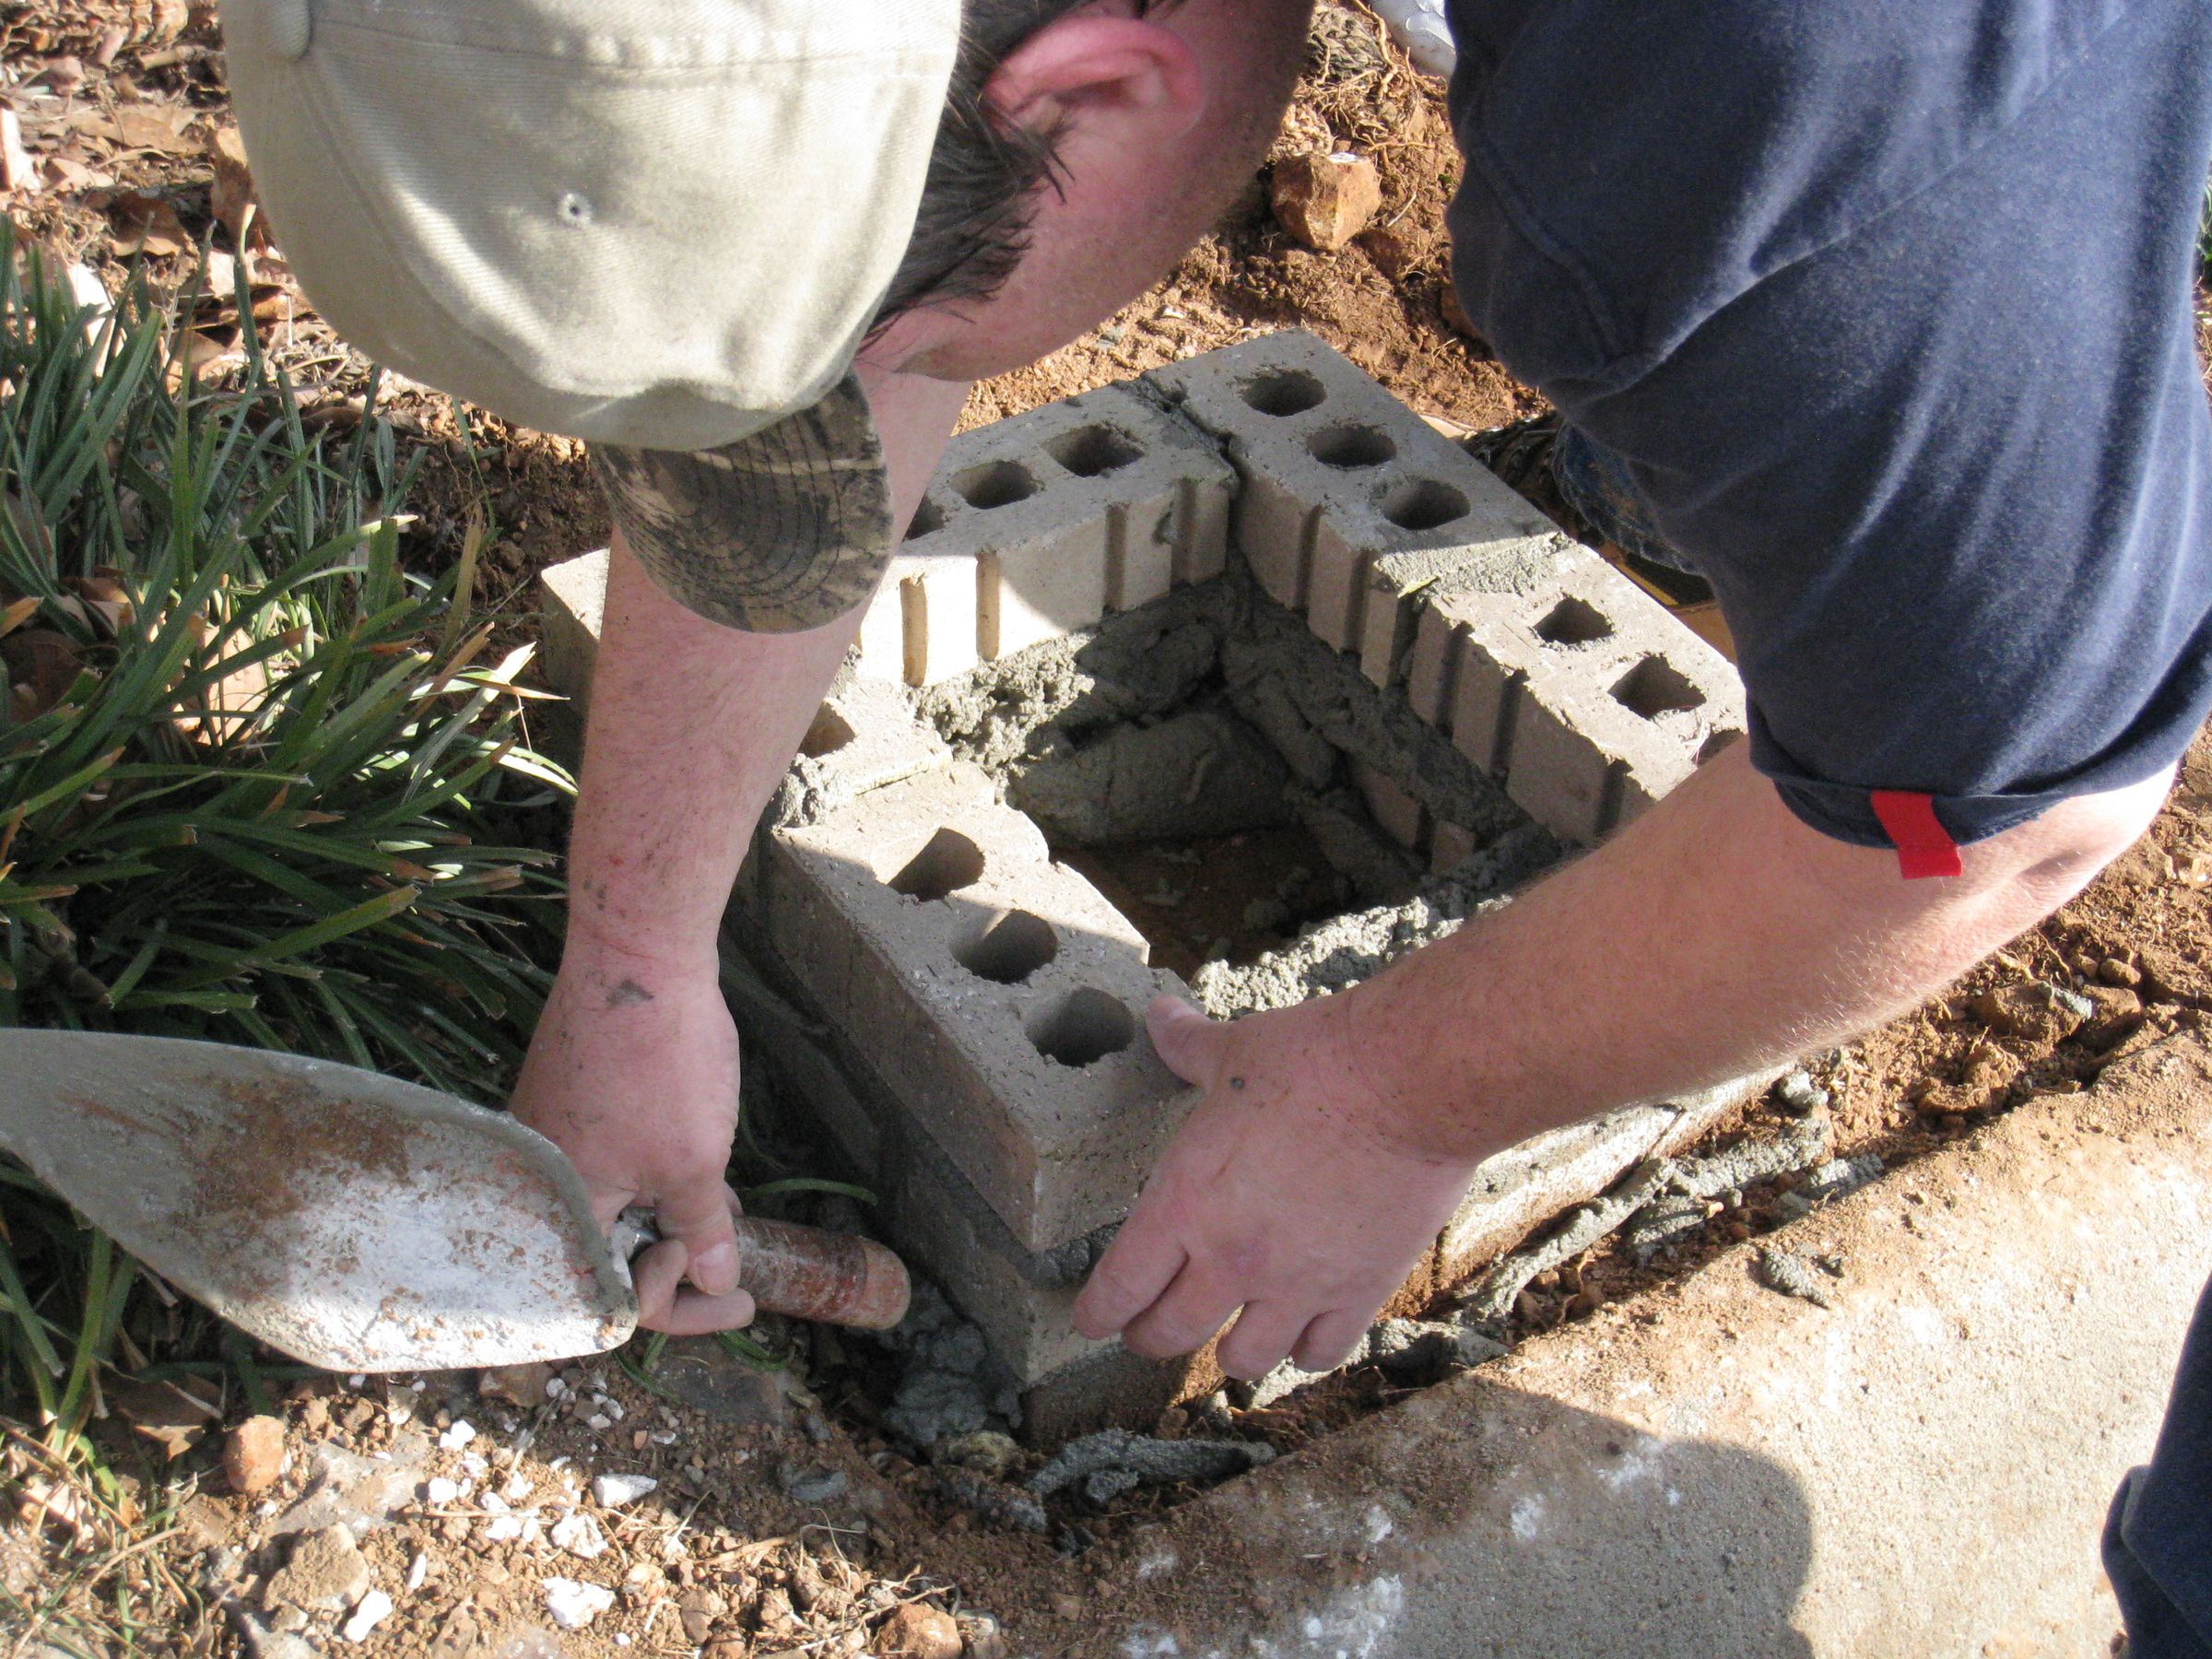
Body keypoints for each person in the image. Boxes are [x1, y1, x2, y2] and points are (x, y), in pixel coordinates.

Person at [222, 0, 2207, 1646]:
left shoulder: (1756, 126)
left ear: (1093, 87)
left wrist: (1398, 1099)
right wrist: (641, 963)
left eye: (881, 354)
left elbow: (2014, 795)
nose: (866, 409)